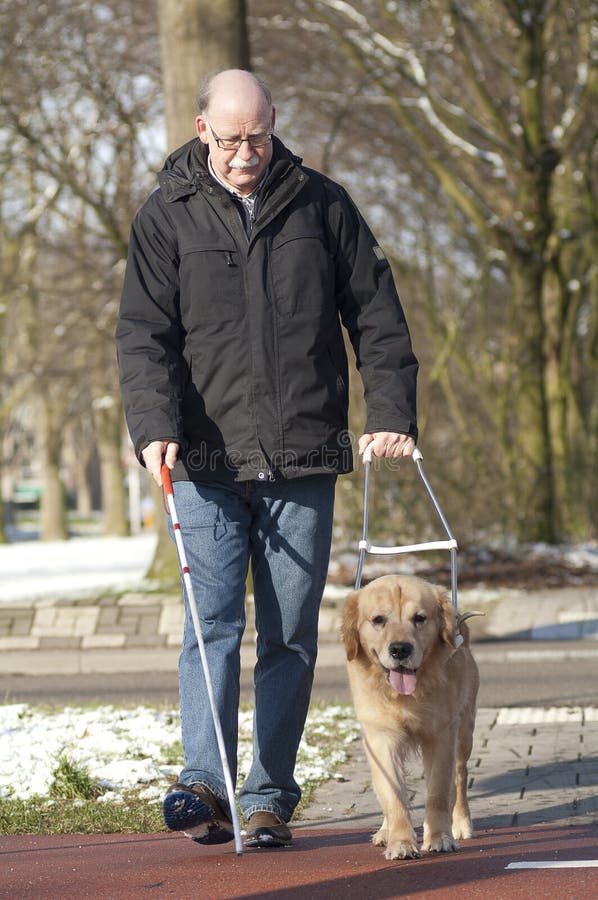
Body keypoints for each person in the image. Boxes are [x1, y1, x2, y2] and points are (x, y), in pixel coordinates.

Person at [116, 69, 418, 849]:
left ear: (275, 122)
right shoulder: (166, 216)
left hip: (303, 456)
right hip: (205, 462)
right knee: (211, 626)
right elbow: (143, 335)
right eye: (228, 139)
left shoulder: (324, 205)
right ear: (200, 129)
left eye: (257, 136)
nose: (245, 153)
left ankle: (268, 797)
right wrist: (151, 426)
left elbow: (376, 315)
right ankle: (205, 783)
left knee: (288, 635)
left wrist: (389, 413)